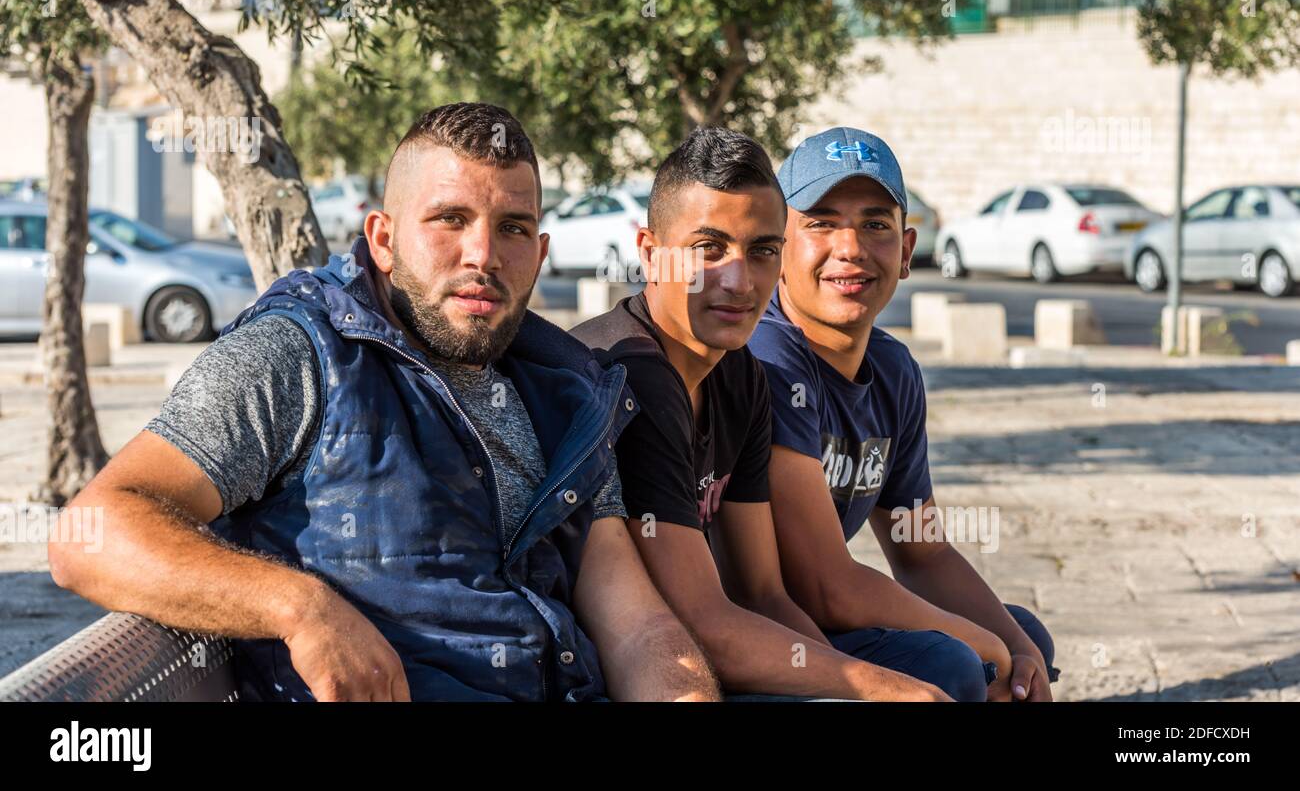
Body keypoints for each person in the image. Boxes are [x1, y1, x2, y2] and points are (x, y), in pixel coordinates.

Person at [49, 102, 717, 702]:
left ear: (540, 253)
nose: (482, 254)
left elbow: (635, 625)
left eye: (512, 228)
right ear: (383, 239)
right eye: (450, 219)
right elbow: (91, 534)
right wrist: (299, 606)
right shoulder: (300, 355)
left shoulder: (568, 396)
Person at [571, 126, 950, 701]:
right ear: (650, 253)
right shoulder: (629, 374)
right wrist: (882, 688)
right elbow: (705, 623)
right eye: (708, 249)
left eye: (762, 251)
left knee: (949, 664)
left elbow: (764, 594)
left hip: (705, 641)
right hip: (613, 666)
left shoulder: (741, 373)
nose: (739, 280)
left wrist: (845, 686)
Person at [748, 126, 1061, 702]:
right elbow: (825, 588)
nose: (851, 248)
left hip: (824, 624)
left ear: (908, 250)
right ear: (778, 246)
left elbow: (923, 549)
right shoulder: (768, 359)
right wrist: (988, 650)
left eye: (875, 224)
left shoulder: (892, 369)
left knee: (1023, 638)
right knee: (956, 662)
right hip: (760, 636)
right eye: (820, 222)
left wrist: (1017, 650)